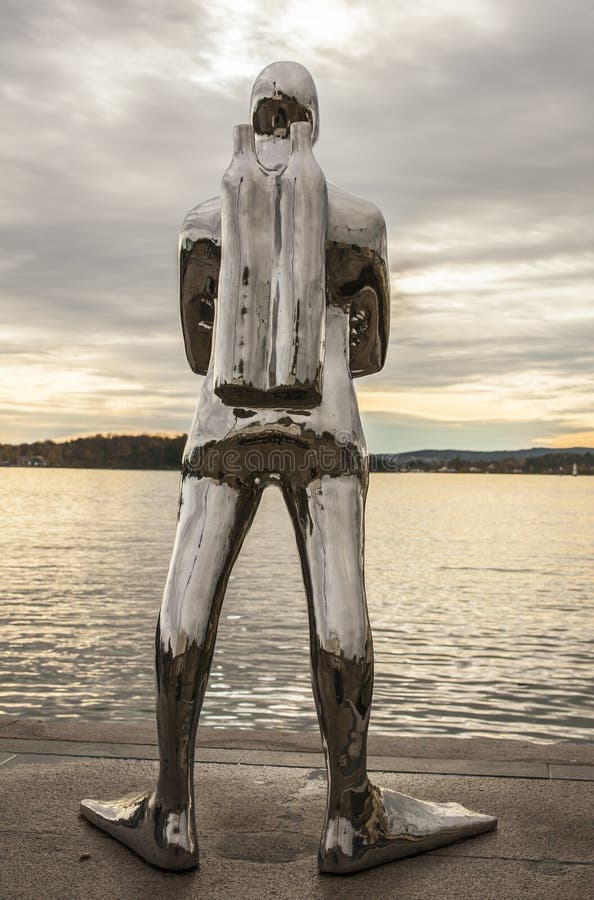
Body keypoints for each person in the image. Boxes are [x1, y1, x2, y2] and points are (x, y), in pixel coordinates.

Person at [81, 61, 495, 874]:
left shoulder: (203, 223)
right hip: (328, 429)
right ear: (314, 121)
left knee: (187, 593)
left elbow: (197, 349)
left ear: (254, 119)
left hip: (220, 429)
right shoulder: (362, 225)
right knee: (339, 599)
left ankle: (171, 808)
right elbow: (371, 352)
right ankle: (349, 815)